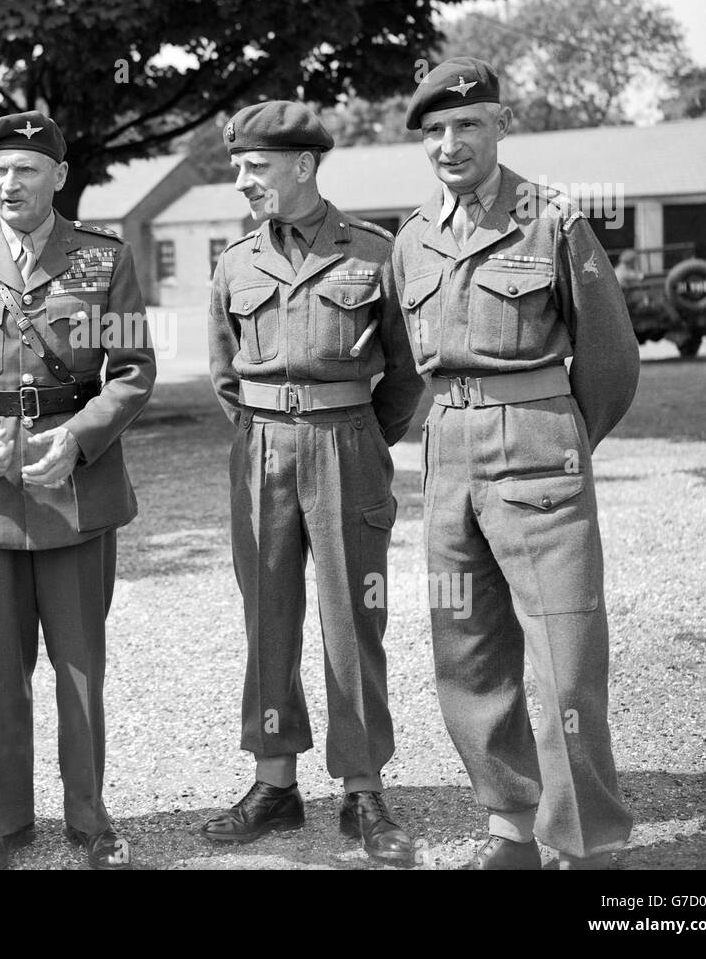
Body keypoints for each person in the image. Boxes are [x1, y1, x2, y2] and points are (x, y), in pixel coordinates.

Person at [392, 57, 640, 870]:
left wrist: (559, 439)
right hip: (447, 464)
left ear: (503, 126)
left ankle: (584, 841)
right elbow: (405, 367)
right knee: (466, 653)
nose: (449, 143)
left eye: (467, 125)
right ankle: (510, 827)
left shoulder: (552, 220)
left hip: (536, 451)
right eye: (434, 131)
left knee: (566, 662)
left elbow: (610, 359)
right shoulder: (412, 237)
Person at [0, 110, 156, 871]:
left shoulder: (101, 258)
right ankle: (8, 817)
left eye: (24, 170)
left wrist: (80, 439)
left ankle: (89, 817)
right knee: (0, 665)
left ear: (58, 177)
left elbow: (133, 371)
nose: (8, 184)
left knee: (81, 663)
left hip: (72, 484)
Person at [204, 100, 425, 866]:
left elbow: (404, 373)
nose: (242, 180)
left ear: (304, 166)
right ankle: (275, 785)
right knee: (267, 618)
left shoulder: (374, 251)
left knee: (351, 620)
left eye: (255, 168)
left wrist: (359, 440)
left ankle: (362, 792)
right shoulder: (235, 261)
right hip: (261, 447)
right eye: (239, 167)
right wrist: (271, 432)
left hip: (346, 446)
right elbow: (224, 376)